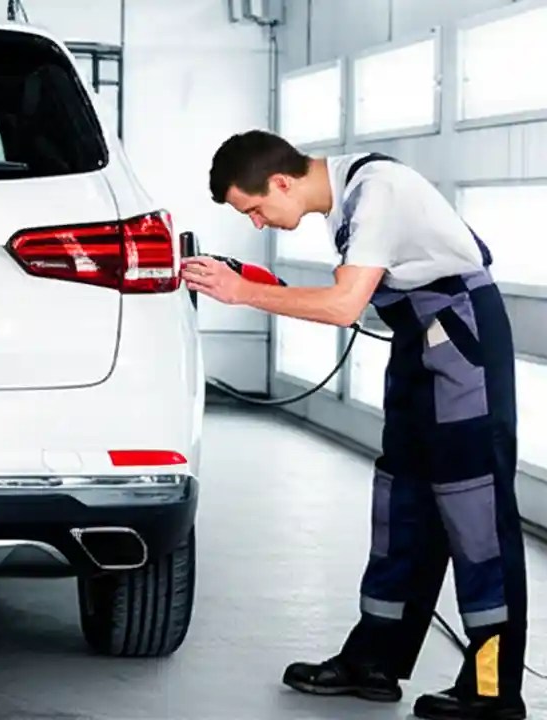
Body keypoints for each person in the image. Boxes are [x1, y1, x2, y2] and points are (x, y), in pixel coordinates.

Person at [184, 129, 528, 720]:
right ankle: (373, 658)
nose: (260, 224)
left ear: (282, 182)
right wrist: (266, 289)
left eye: (257, 209)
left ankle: (493, 688)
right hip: (420, 345)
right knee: (402, 507)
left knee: (475, 516)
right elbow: (364, 296)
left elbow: (344, 306)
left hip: (461, 345)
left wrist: (242, 294)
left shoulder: (377, 190)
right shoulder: (346, 195)